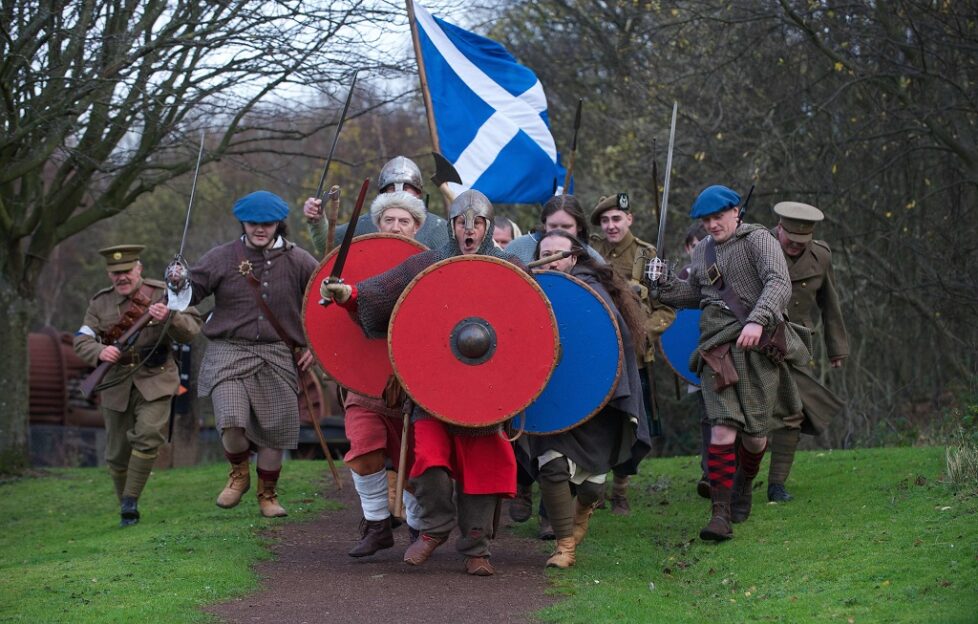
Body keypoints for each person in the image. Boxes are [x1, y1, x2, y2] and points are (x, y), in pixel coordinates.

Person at [322, 190, 518, 576]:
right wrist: (349, 294)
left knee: (482, 471)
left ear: (488, 227)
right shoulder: (427, 263)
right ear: (451, 227)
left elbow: (531, 325)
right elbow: (380, 292)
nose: (469, 230)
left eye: (477, 223)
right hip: (433, 388)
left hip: (485, 391)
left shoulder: (510, 268)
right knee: (427, 459)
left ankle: (476, 548)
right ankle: (432, 529)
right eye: (461, 222)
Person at [655, 185, 810, 541]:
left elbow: (778, 282)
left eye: (718, 217)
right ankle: (720, 514)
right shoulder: (703, 251)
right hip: (715, 348)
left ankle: (743, 483)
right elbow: (695, 295)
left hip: (757, 349)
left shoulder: (758, 240)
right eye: (706, 220)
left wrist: (757, 320)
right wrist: (663, 286)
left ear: (736, 211)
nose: (712, 225)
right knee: (722, 429)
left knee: (755, 438)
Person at [304, 188, 428, 556]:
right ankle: (376, 525)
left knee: (416, 461)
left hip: (413, 382)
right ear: (377, 224)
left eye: (403, 220)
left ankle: (420, 530)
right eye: (388, 220)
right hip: (364, 380)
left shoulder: (431, 263)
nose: (395, 226)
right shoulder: (360, 262)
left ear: (417, 226)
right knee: (363, 446)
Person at [189, 190, 319, 518]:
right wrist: (177, 282)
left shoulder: (300, 260)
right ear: (243, 223)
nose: (260, 229)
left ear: (278, 224)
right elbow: (189, 293)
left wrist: (314, 346)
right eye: (252, 223)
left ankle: (268, 494)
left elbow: (325, 302)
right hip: (228, 351)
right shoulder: (221, 257)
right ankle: (238, 474)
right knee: (231, 420)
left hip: (277, 353)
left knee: (275, 430)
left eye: (267, 223)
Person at [528, 230, 649, 568]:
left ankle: (583, 511)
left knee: (593, 486)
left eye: (558, 254)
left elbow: (612, 345)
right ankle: (564, 546)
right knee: (552, 467)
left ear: (573, 258)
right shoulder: (528, 292)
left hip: (596, 403)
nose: (550, 261)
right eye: (544, 254)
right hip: (550, 399)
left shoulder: (593, 291)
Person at [73, 245, 202, 526]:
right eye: (115, 273)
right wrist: (99, 352)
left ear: (139, 269)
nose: (122, 277)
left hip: (156, 378)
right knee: (116, 455)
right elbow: (81, 339)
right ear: (109, 274)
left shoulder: (165, 293)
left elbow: (192, 330)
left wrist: (170, 316)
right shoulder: (99, 303)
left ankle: (130, 502)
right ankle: (125, 504)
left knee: (148, 434)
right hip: (116, 382)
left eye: (127, 271)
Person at [589, 192, 676, 514]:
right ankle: (594, 487)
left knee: (631, 423)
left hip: (634, 358)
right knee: (596, 423)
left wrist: (644, 334)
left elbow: (666, 308)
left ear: (630, 219)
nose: (611, 226)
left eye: (617, 219)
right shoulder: (589, 252)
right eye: (605, 220)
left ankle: (621, 491)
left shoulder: (647, 256)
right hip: (597, 354)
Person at [766, 201, 849, 502]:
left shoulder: (821, 256)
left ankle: (777, 484)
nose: (795, 246)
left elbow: (830, 304)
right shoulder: (760, 247)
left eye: (802, 241)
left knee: (793, 412)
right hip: (758, 338)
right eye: (790, 240)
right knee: (750, 411)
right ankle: (734, 480)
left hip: (796, 344)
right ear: (779, 229)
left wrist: (837, 348)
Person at [313, 156, 450, 250]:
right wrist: (317, 219)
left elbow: (453, 268)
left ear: (418, 193)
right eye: (392, 188)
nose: (399, 193)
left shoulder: (439, 228)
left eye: (406, 188)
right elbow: (326, 244)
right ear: (382, 194)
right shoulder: (365, 224)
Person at [505, 194, 603, 265]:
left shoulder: (593, 260)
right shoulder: (517, 249)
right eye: (553, 226)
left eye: (566, 226)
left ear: (579, 227)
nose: (558, 232)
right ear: (545, 225)